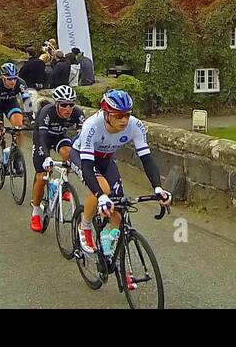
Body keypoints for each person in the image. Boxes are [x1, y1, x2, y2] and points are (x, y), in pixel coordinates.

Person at [73, 90, 170, 257]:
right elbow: (88, 167)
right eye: (118, 116)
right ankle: (85, 226)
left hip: (106, 160)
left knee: (119, 206)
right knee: (103, 189)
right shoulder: (92, 126)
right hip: (82, 157)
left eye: (126, 115)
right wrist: (101, 196)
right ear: (106, 114)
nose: (124, 120)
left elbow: (146, 159)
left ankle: (110, 246)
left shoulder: (135, 126)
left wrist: (158, 188)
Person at [28, 85, 83, 231]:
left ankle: (63, 183)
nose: (68, 108)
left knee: (69, 153)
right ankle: (36, 211)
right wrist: (47, 157)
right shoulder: (47, 112)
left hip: (59, 137)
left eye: (71, 104)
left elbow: (82, 137)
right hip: (42, 138)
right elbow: (42, 138)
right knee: (42, 176)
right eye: (64, 105)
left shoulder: (77, 113)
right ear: (56, 104)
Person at [0, 62, 33, 176]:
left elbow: (27, 103)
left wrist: (33, 120)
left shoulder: (21, 83)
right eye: (9, 79)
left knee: (18, 127)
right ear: (3, 77)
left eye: (14, 79)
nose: (13, 81)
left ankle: (16, 156)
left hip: (11, 104)